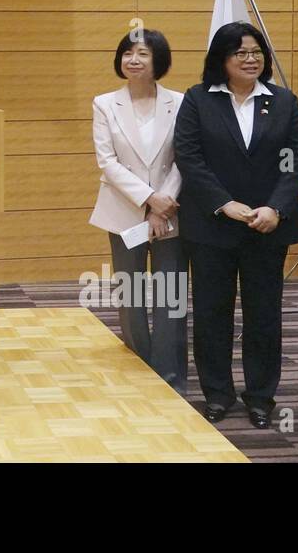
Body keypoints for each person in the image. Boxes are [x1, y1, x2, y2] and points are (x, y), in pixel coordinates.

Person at [173, 22, 298, 429]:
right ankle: (217, 392)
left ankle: (260, 396)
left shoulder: (283, 101)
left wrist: (277, 208)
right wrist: (223, 204)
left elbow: (296, 160)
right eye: (241, 53)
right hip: (212, 227)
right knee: (213, 313)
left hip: (266, 226)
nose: (251, 59)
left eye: (257, 52)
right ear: (222, 59)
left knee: (263, 313)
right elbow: (189, 156)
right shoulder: (199, 99)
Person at [88, 29, 187, 393]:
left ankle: (171, 374)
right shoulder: (104, 103)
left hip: (171, 208)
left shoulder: (180, 101)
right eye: (127, 53)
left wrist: (162, 204)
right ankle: (138, 367)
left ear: (158, 59)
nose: (133, 60)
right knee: (130, 292)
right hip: (124, 210)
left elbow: (184, 158)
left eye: (142, 53)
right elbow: (108, 162)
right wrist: (149, 199)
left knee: (170, 291)